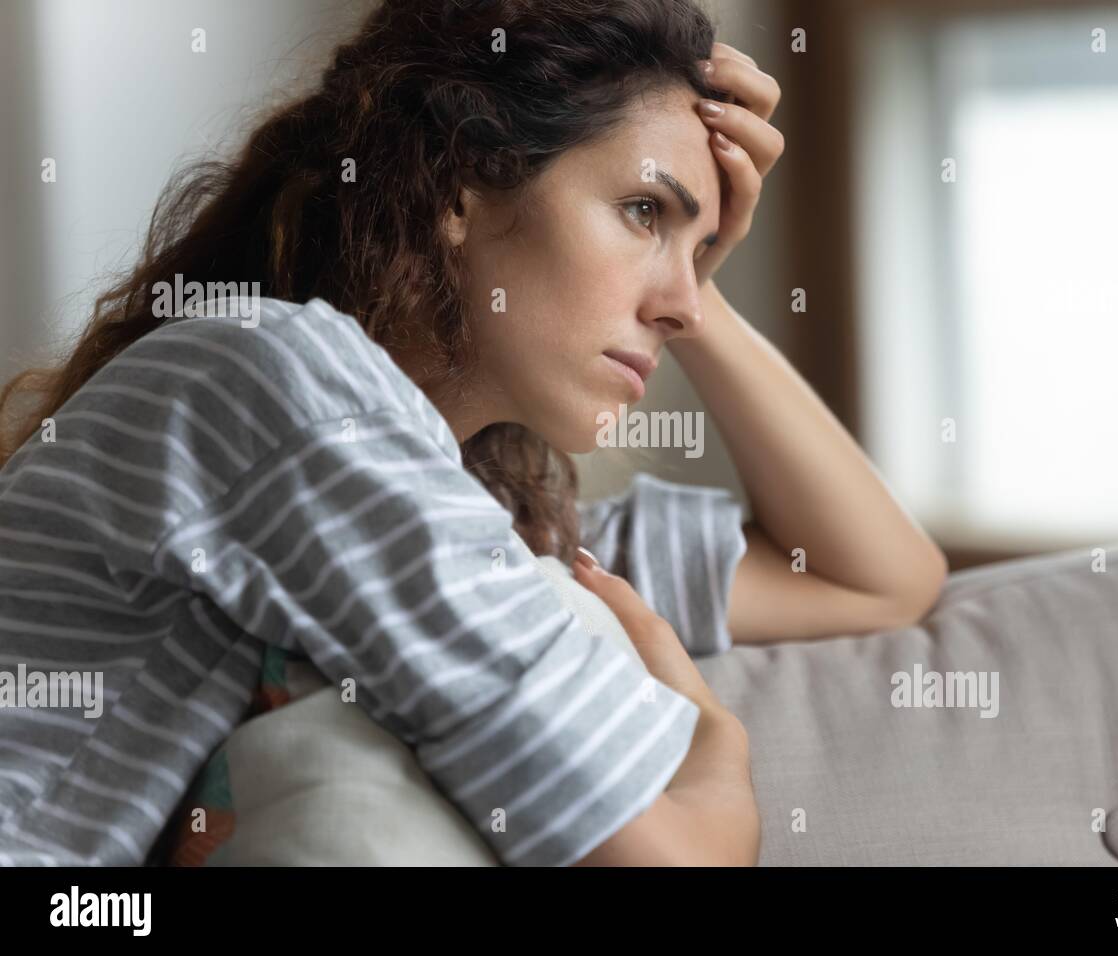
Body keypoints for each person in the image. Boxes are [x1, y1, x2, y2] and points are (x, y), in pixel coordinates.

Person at [0, 0, 946, 867]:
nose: (675, 305)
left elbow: (877, 577)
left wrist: (698, 290)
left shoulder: (482, 513)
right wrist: (717, 753)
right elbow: (673, 862)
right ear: (460, 190)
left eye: (698, 252)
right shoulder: (274, 379)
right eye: (642, 210)